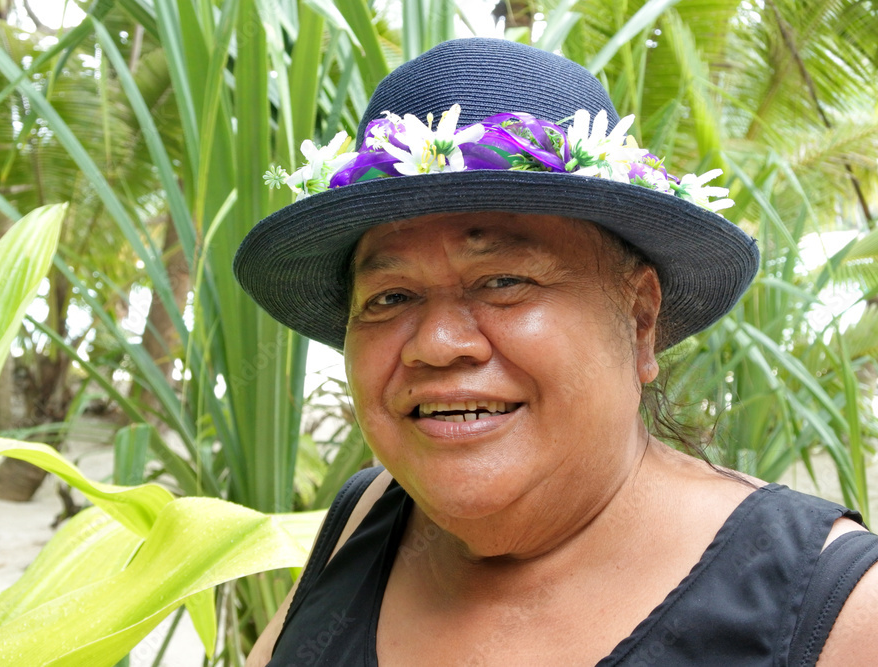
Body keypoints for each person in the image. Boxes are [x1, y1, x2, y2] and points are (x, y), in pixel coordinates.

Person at [234, 38, 878, 665]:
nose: (435, 345)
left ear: (640, 318)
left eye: (505, 282)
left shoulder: (834, 610)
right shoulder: (365, 519)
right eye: (390, 296)